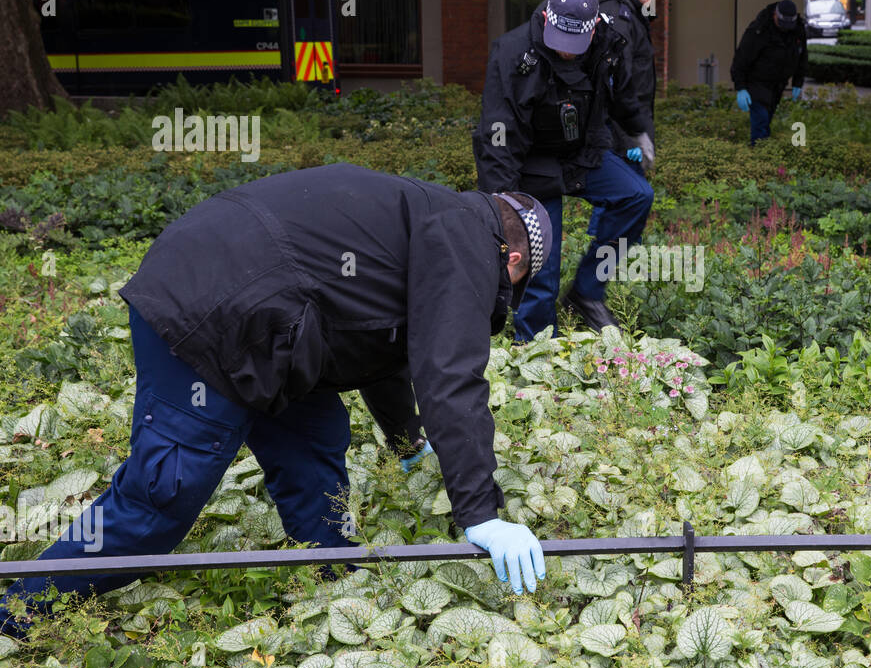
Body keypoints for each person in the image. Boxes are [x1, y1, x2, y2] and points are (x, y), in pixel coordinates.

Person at [0, 164, 555, 637]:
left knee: (315, 440)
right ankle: (15, 610)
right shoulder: (467, 241)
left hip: (267, 312)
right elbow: (450, 372)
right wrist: (481, 514)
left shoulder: (431, 217)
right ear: (513, 260)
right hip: (214, 309)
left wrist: (407, 442)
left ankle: (329, 580)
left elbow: (392, 348)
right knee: (162, 495)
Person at [474, 0, 652, 340]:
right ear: (547, 19)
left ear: (592, 28)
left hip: (582, 154)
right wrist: (504, 205)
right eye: (561, 42)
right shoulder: (511, 54)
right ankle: (539, 348)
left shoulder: (607, 40)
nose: (567, 52)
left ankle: (586, 292)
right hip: (533, 164)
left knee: (636, 195)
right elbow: (497, 136)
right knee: (541, 265)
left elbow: (622, 93)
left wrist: (638, 129)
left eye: (575, 44)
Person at [596, 0, 674, 173]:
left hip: (630, 124)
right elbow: (616, 83)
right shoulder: (621, 18)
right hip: (623, 133)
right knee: (629, 198)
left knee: (633, 197)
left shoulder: (630, 12)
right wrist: (630, 138)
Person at [730, 0, 808, 145]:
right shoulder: (759, 30)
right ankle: (759, 155)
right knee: (761, 120)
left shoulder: (797, 29)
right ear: (775, 16)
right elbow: (741, 59)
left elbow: (802, 56)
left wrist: (798, 82)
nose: (785, 28)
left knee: (767, 121)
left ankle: (764, 153)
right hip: (757, 82)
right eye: (782, 24)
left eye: (789, 25)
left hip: (778, 84)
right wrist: (740, 87)